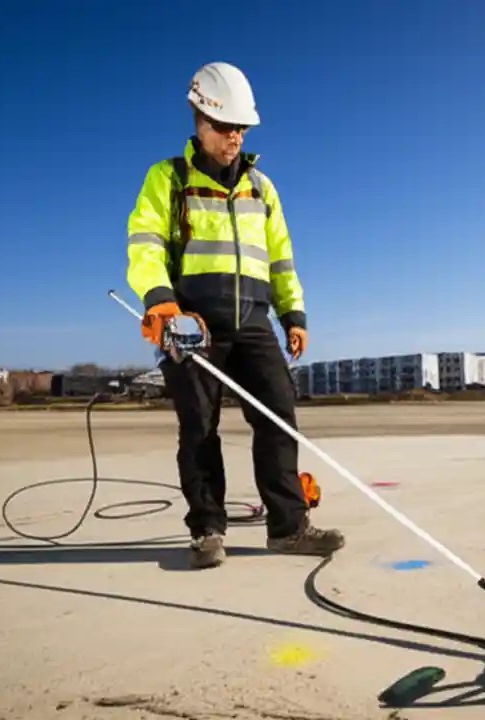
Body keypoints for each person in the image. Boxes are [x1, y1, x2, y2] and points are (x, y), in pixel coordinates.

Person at [125, 61, 345, 569]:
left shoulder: (261, 188)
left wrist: (294, 314)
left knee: (279, 415)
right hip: (193, 325)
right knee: (199, 427)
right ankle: (207, 530)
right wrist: (160, 301)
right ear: (200, 120)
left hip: (253, 322)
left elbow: (282, 257)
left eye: (242, 128)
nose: (235, 137)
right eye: (225, 127)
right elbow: (145, 242)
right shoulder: (168, 179)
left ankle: (288, 527)